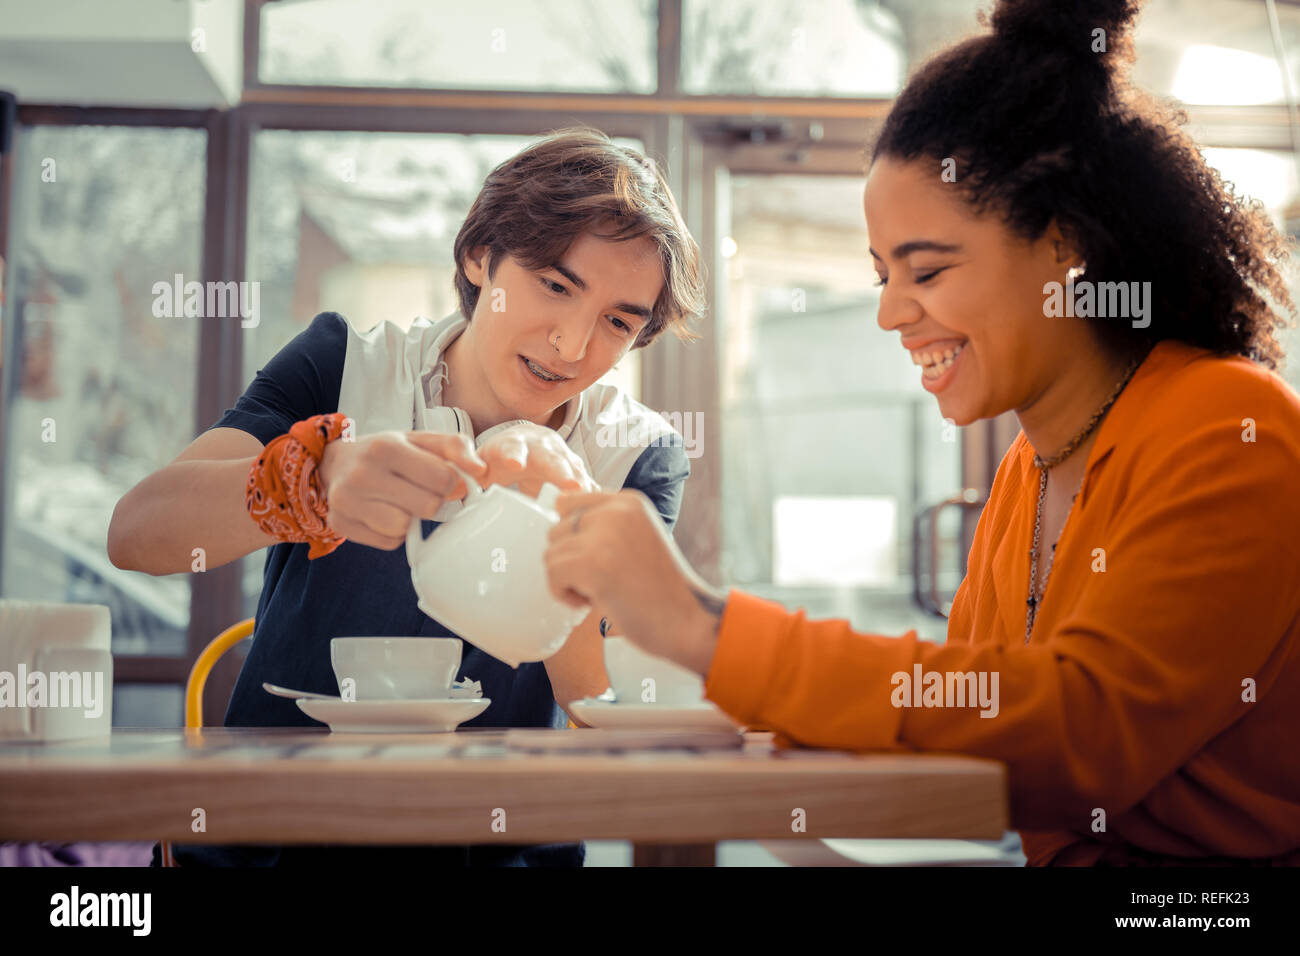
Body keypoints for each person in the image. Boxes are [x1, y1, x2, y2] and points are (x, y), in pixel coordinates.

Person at [543, 0, 1300, 866]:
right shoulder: (1031, 468)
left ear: (1068, 249)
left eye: (928, 269)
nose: (892, 313)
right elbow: (971, 723)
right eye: (881, 275)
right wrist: (748, 736)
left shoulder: (1231, 427)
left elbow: (1077, 736)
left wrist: (705, 627)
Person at [108, 128, 705, 867]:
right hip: (271, 839)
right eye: (556, 284)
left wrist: (579, 542)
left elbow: (607, 721)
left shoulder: (637, 455)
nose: (573, 345)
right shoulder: (344, 366)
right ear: (479, 257)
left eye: (619, 320)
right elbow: (138, 531)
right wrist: (309, 487)